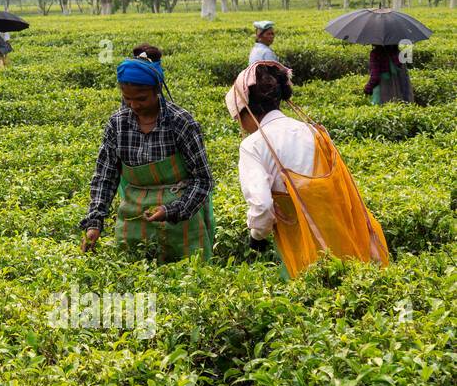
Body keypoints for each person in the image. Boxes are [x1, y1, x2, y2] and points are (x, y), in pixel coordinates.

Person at [228, 61, 389, 277]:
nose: (239, 123)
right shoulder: (312, 131)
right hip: (337, 229)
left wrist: (256, 237)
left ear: (247, 110)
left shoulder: (253, 145)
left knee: (308, 286)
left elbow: (263, 207)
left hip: (299, 239)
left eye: (238, 117)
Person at [79, 46, 215, 261]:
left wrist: (172, 210)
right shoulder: (117, 124)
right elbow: (105, 177)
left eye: (141, 99)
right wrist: (94, 223)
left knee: (189, 273)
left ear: (157, 90)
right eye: (127, 98)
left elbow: (203, 180)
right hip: (133, 218)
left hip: (182, 221)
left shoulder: (181, 122)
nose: (134, 105)